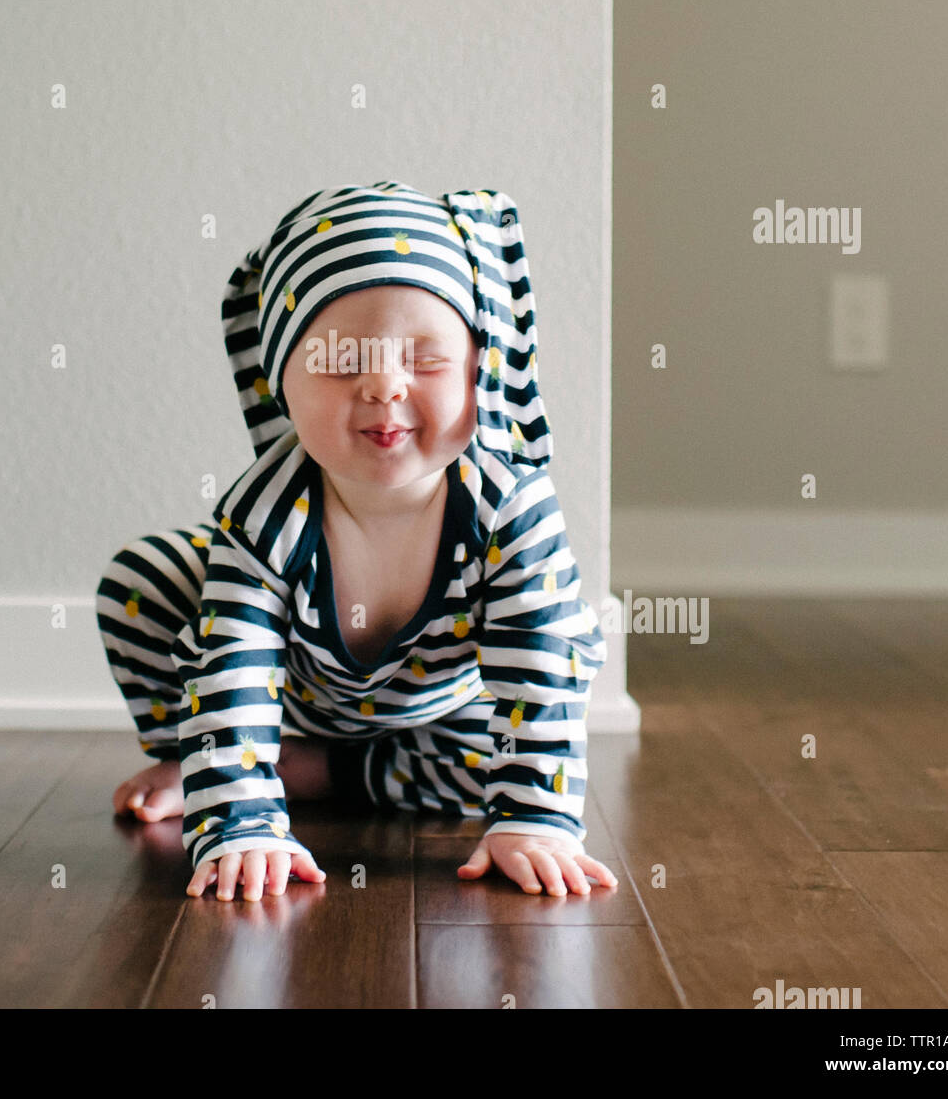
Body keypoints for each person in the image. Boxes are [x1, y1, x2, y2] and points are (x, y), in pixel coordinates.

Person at [95, 181, 617, 902]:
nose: (384, 387)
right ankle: (223, 767)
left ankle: (312, 771)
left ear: (479, 368)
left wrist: (533, 819)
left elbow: (541, 666)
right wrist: (240, 824)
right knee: (142, 580)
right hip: (295, 700)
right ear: (281, 382)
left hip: (443, 720)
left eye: (426, 361)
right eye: (343, 361)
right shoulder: (264, 513)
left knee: (498, 762)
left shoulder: (509, 504)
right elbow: (236, 665)